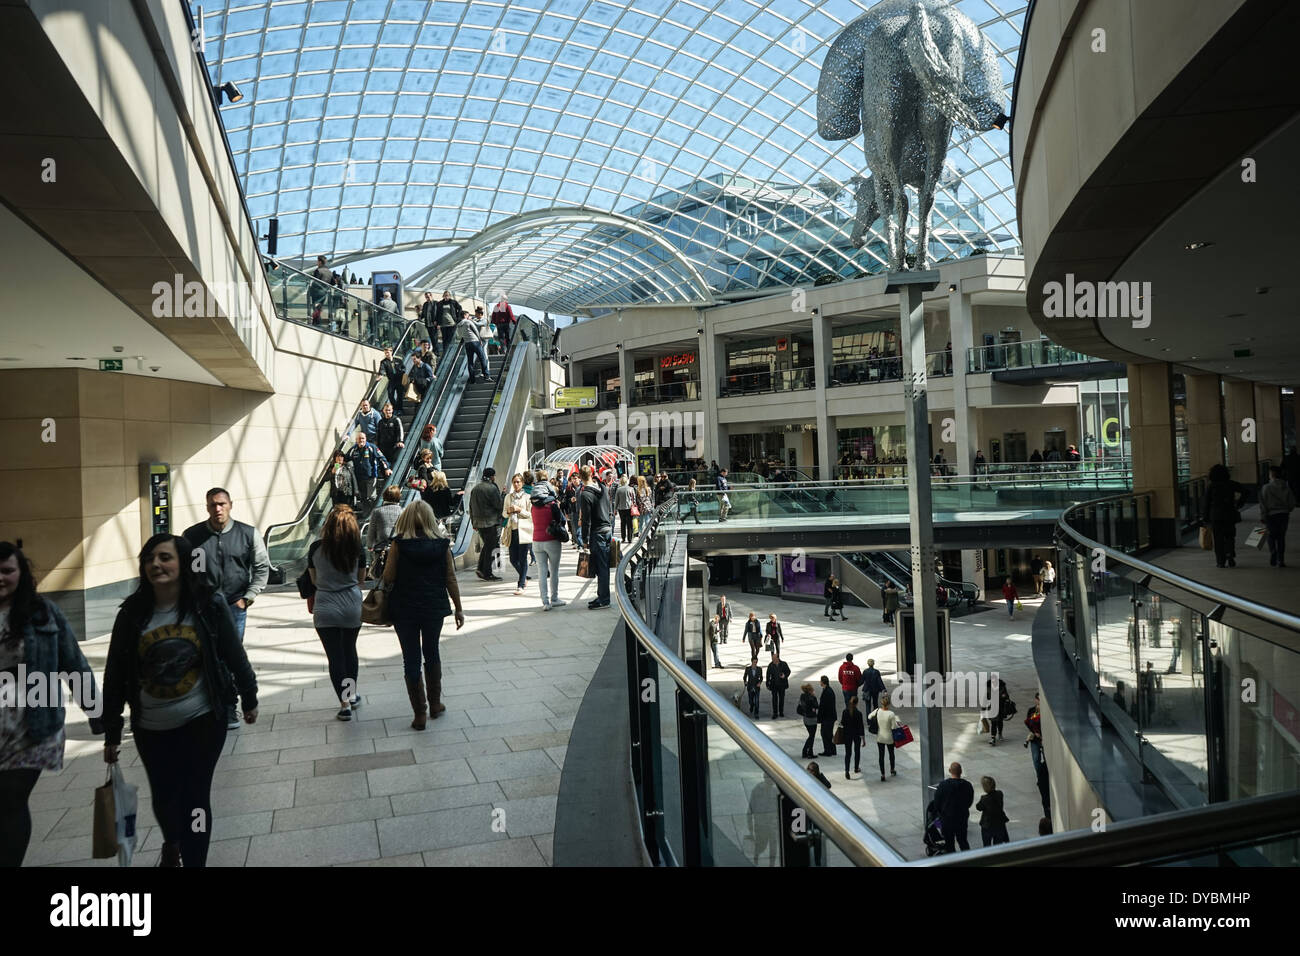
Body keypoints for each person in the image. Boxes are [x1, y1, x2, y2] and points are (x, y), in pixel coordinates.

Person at [102, 533, 258, 867]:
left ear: (183, 563)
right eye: (149, 559)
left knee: (196, 795)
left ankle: (195, 859)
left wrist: (249, 695)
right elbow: (114, 673)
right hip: (151, 725)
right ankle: (172, 841)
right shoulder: (132, 614)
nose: (156, 564)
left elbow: (233, 653)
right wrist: (112, 731)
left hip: (202, 719)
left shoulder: (207, 604)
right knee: (164, 795)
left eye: (164, 557)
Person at [0, 542, 103, 867]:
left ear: (21, 573)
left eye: (7, 570)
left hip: (32, 724)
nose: (0, 577)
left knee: (11, 800)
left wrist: (98, 714)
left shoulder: (42, 612)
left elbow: (73, 662)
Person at [182, 487, 269, 728]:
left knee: (229, 655)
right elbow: (186, 572)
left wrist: (247, 598)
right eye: (213, 505)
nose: (217, 509)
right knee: (206, 655)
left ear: (231, 504)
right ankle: (211, 702)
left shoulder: (247, 534)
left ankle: (229, 707)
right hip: (202, 608)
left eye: (222, 504)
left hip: (233, 606)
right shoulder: (192, 536)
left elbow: (262, 568)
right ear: (207, 507)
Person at [383, 500, 465, 730]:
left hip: (404, 608)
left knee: (410, 658)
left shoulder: (398, 545)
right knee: (432, 652)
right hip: (433, 607)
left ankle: (419, 714)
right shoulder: (442, 545)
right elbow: (450, 578)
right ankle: (436, 704)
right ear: (430, 519)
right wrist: (458, 607)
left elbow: (388, 577)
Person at [309, 505, 365, 720]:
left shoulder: (315, 548)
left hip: (325, 607)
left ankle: (344, 705)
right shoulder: (357, 549)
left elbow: (314, 581)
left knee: (335, 658)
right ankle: (351, 695)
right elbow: (361, 580)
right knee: (349, 652)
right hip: (352, 606)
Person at [579, 464, 614, 609]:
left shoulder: (585, 494)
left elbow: (586, 520)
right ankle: (602, 595)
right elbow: (609, 507)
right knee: (603, 565)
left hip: (597, 532)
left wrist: (584, 539)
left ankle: (604, 599)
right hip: (607, 529)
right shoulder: (603, 487)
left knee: (602, 567)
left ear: (580, 477)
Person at [1204, 463, 1248, 568]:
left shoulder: (1211, 486)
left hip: (1216, 516)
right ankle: (1230, 554)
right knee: (1230, 536)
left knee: (1218, 539)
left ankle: (1220, 561)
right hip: (1230, 514)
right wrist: (1239, 503)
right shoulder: (1231, 484)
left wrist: (1205, 518)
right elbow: (1246, 491)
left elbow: (1206, 503)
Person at [470, 468, 505, 581]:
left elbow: (470, 507)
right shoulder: (492, 488)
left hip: (478, 523)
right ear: (492, 477)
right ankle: (487, 573)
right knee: (491, 548)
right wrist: (503, 496)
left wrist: (473, 522)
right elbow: (498, 505)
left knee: (487, 546)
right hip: (491, 522)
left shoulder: (475, 489)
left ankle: (481, 569)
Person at [502, 473, 534, 596]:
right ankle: (524, 576)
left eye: (518, 482)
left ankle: (520, 584)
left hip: (524, 529)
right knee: (513, 559)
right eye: (514, 482)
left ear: (522, 483)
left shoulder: (527, 497)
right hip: (512, 529)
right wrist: (509, 511)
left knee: (523, 558)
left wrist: (519, 510)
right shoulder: (508, 497)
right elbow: (504, 514)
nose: (516, 484)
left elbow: (530, 514)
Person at [932, 761, 975, 852]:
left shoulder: (943, 785)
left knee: (949, 843)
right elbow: (969, 802)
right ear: (961, 771)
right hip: (961, 818)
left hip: (947, 819)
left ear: (949, 771)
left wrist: (940, 813)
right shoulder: (967, 785)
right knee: (963, 841)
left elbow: (937, 803)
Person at [1260, 465, 1296, 568]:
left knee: (1271, 535)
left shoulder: (1266, 487)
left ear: (1271, 475)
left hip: (1271, 515)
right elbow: (1292, 502)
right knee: (1281, 537)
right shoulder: (1286, 487)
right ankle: (1281, 560)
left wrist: (1263, 516)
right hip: (1283, 514)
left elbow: (1263, 504)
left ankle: (1273, 551)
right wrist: (1287, 509)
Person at [365, 485, 404, 575]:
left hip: (381, 548)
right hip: (398, 548)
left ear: (384, 496)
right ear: (398, 497)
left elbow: (371, 531)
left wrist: (370, 545)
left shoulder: (377, 511)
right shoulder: (402, 511)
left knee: (380, 573)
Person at [348, 432, 391, 510]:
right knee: (363, 498)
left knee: (371, 496)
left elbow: (381, 458)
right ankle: (367, 514)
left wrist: (386, 468)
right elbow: (343, 458)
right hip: (359, 478)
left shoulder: (372, 447)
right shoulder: (353, 449)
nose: (361, 440)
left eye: (363, 438)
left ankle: (375, 512)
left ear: (366, 439)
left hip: (371, 477)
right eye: (359, 438)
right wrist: (335, 465)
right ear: (356, 440)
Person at [1025, 692, 1051, 816]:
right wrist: (1034, 733)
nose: (1039, 702)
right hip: (1035, 739)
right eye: (1038, 700)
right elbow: (1029, 722)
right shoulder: (1031, 710)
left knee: (1046, 757)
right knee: (1036, 759)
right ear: (1035, 700)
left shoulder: (1046, 711)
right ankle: (1039, 777)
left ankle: (1046, 774)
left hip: (1043, 738)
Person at [869, 694, 901, 781]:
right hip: (889, 737)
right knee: (891, 754)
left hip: (880, 737)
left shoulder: (877, 710)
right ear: (889, 704)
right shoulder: (891, 714)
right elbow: (894, 727)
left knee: (881, 756)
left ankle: (882, 774)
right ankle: (892, 769)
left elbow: (869, 716)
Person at [456, 312, 491, 383]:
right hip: (475, 341)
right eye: (468, 315)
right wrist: (480, 340)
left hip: (467, 343)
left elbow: (459, 335)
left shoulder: (459, 325)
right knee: (482, 358)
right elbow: (475, 330)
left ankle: (472, 379)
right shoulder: (468, 322)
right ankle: (486, 375)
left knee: (470, 362)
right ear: (465, 315)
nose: (469, 316)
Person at [976, 776, 1010, 846]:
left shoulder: (984, 798)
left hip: (987, 825)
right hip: (999, 823)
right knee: (998, 844)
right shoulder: (1000, 793)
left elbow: (978, 807)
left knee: (987, 844)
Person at [840, 695, 865, 779]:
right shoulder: (859, 713)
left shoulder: (845, 712)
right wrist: (863, 739)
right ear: (857, 703)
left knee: (848, 753)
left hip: (847, 734)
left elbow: (842, 723)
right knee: (857, 751)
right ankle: (856, 768)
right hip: (856, 735)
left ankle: (847, 770)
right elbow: (861, 727)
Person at [379, 347, 405, 414]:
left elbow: (403, 368)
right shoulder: (384, 362)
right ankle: (395, 408)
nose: (387, 354)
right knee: (390, 394)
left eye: (388, 352)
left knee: (400, 395)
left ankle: (400, 409)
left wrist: (401, 372)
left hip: (399, 379)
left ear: (391, 352)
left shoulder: (398, 360)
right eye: (385, 353)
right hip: (392, 380)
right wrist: (381, 375)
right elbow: (382, 369)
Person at [818, 676, 838, 756]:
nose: (819, 682)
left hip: (827, 717)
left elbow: (824, 706)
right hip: (830, 716)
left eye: (820, 681)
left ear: (823, 682)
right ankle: (832, 750)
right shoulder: (828, 690)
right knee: (829, 733)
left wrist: (820, 716)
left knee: (825, 733)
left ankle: (828, 750)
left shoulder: (827, 692)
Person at [798, 683, 820, 757]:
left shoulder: (802, 696)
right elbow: (816, 706)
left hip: (806, 718)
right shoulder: (812, 698)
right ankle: (807, 751)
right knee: (812, 736)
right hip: (812, 719)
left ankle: (808, 751)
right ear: (810, 690)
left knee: (811, 735)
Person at [987, 676, 1011, 745]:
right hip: (992, 708)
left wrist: (1004, 696)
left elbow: (1007, 696)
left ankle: (1000, 733)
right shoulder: (988, 687)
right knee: (993, 723)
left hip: (1001, 707)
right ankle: (993, 737)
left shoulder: (1002, 686)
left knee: (1000, 721)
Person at [766, 651, 791, 718]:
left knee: (781, 699)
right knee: (774, 699)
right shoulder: (770, 665)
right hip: (774, 685)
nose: (773, 660)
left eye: (774, 659)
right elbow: (768, 675)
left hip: (782, 685)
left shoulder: (783, 664)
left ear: (778, 658)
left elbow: (788, 671)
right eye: (772, 658)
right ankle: (775, 713)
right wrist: (767, 683)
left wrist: (784, 675)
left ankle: (781, 712)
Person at [614, 475, 636, 544]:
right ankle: (630, 538)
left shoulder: (618, 489)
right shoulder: (631, 489)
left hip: (621, 508)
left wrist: (615, 509)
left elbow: (616, 500)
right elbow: (634, 499)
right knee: (630, 523)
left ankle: (623, 537)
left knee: (623, 523)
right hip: (629, 507)